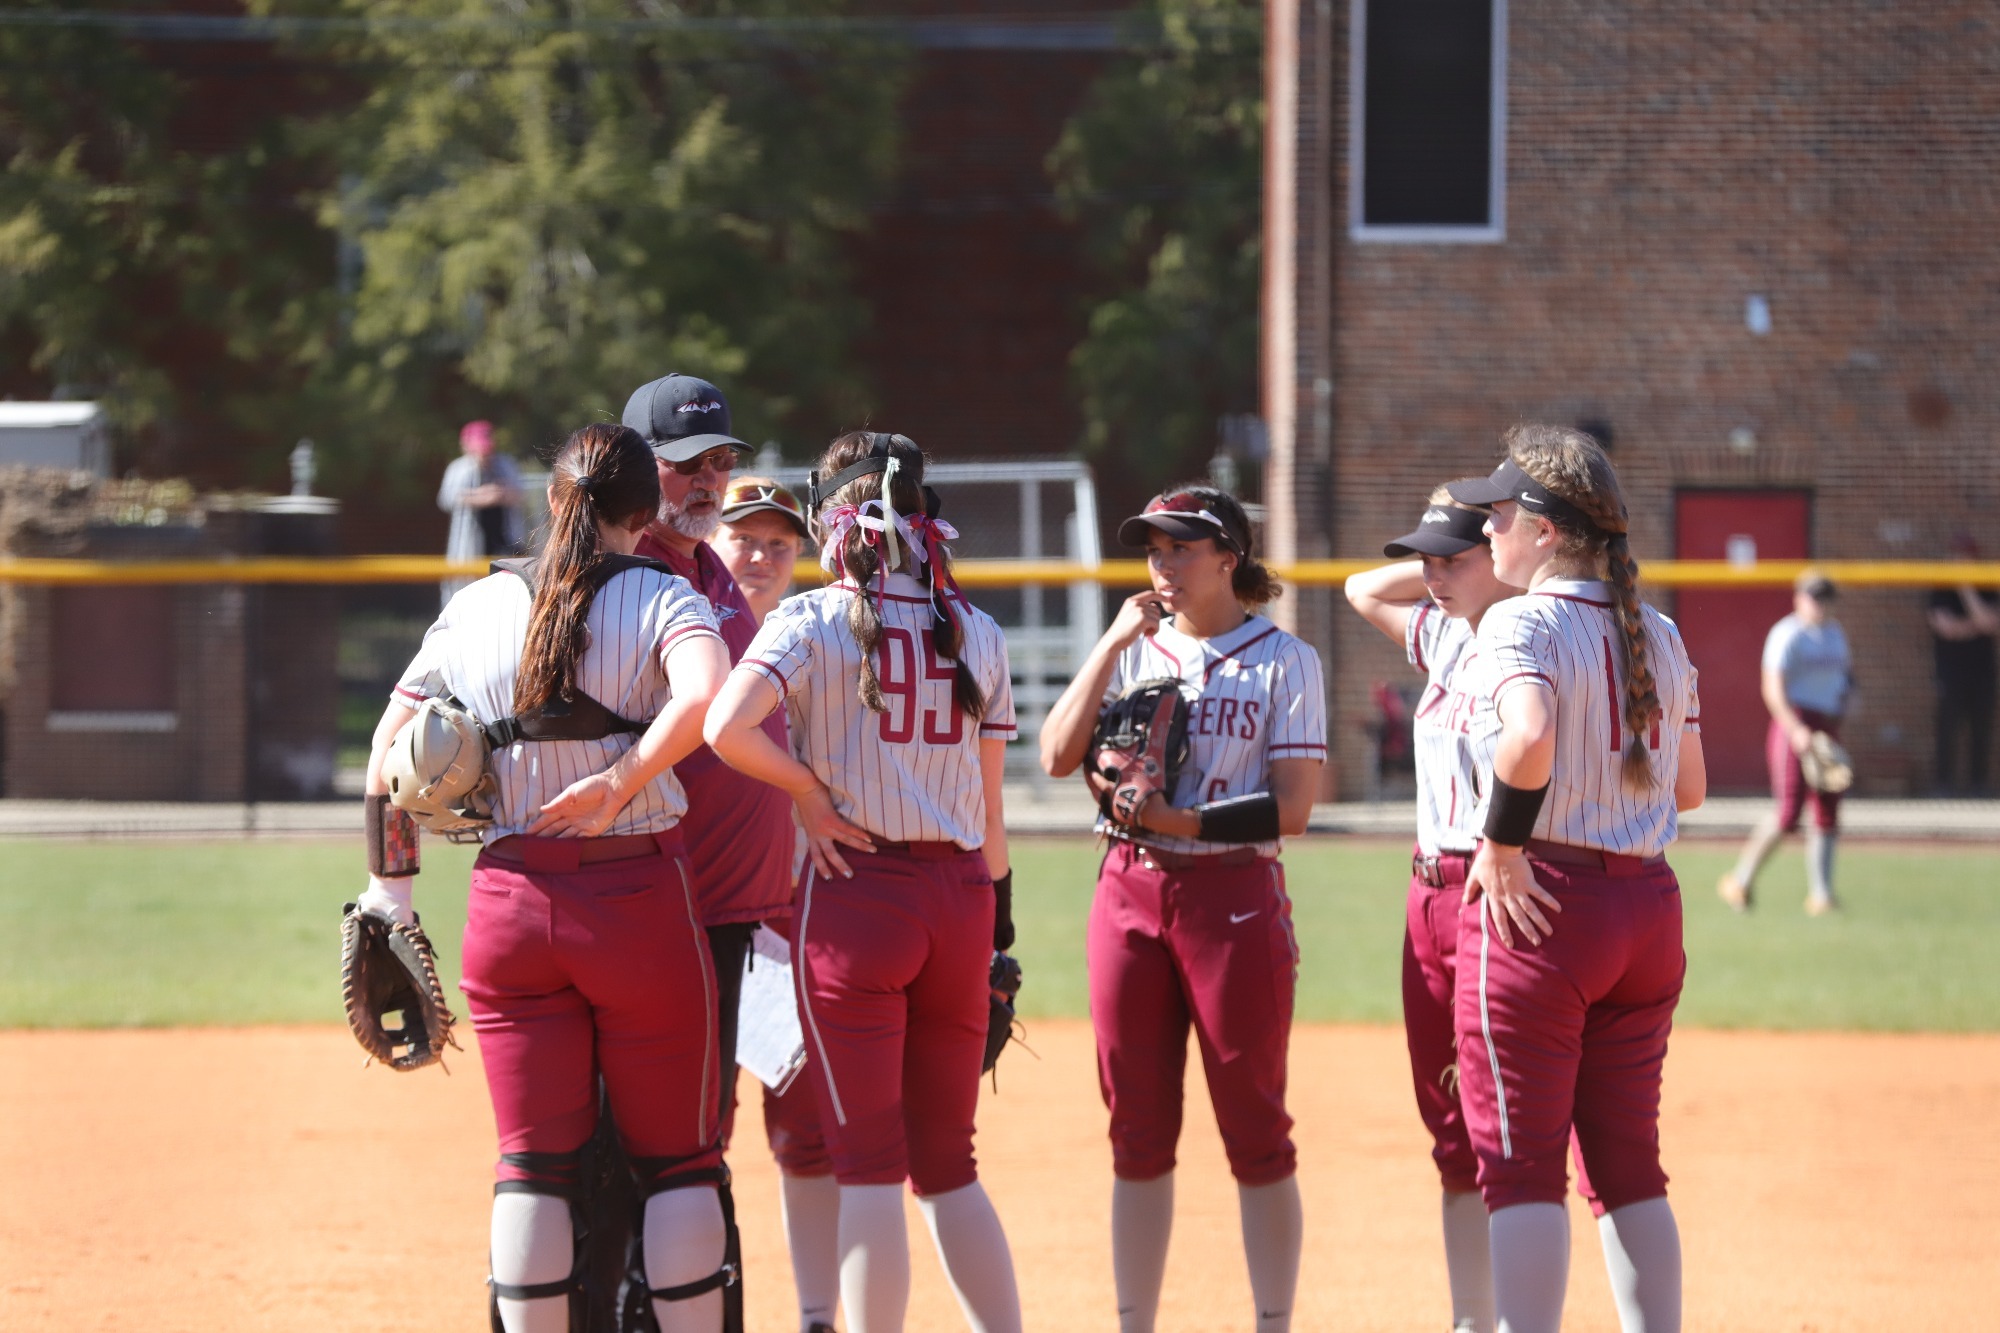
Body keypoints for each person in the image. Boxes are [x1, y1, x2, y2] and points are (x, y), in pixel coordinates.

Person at [361, 421, 735, 1332]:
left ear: (553, 499)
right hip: (636, 897)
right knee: (679, 1161)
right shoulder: (659, 594)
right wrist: (621, 778)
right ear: (643, 514)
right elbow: (706, 697)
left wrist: (390, 897)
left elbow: (386, 758)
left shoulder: (478, 606)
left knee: (530, 1161)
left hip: (511, 903)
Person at [703, 431, 1023, 1333]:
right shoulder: (979, 629)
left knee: (870, 1163)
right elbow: (991, 816)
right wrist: (999, 931)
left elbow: (728, 726)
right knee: (950, 1162)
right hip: (959, 899)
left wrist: (806, 791)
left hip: (856, 893)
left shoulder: (810, 620)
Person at [1040, 485, 1326, 1333]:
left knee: (1255, 1127)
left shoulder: (1284, 658)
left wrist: (1178, 817)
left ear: (1228, 557)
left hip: (1232, 895)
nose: (1162, 566)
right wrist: (1116, 640)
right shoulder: (1136, 647)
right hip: (1128, 889)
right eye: (1153, 551)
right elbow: (1059, 754)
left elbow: (1297, 806)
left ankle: (1272, 1319)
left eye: (1181, 549)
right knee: (1136, 1128)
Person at [1441, 425, 1705, 1333]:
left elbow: (1529, 735)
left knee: (1519, 1170)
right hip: (1646, 906)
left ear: (1546, 530)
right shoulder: (1658, 631)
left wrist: (1501, 844)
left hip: (1543, 907)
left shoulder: (1518, 619)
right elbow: (1693, 786)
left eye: (1501, 515)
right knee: (1630, 1163)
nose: (1486, 534)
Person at [1345, 485, 1519, 1333]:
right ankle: (1470, 1319)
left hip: (1495, 888)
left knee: (1509, 1127)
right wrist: (1446, 560)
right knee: (1451, 1127)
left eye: (1452, 559)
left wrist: (1485, 564)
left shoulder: (1532, 639)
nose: (1433, 575)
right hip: (1426, 895)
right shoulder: (1446, 633)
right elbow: (1360, 589)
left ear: (1502, 549)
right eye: (1428, 561)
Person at [709, 473, 839, 1333]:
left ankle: (818, 1315)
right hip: (700, 910)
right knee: (689, 1127)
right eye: (743, 538)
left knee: (807, 1129)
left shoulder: (818, 640)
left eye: (778, 543)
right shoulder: (686, 630)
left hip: (796, 912)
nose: (758, 555)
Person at [1717, 569, 1852, 915]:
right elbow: (1772, 688)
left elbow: (1845, 680)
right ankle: (1740, 880)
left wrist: (1848, 703)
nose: (1818, 603)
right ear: (1798, 598)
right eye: (1812, 595)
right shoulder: (1787, 634)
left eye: (1823, 596)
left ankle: (1821, 895)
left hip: (1826, 723)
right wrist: (1795, 729)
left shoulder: (1835, 635)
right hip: (1794, 722)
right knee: (1789, 812)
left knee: (1828, 808)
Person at [1927, 533, 1999, 796]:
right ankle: (1943, 784)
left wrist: (1967, 590)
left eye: (1964, 557)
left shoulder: (1987, 583)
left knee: (1981, 728)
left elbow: (1990, 623)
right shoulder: (1940, 587)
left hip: (1983, 672)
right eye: (1955, 556)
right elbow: (1946, 628)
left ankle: (1978, 785)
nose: (1959, 561)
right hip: (1949, 672)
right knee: (1947, 728)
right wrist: (1975, 625)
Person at [437, 418, 525, 604]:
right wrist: (480, 496)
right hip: (469, 547)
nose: (485, 455)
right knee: (465, 594)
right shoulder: (459, 468)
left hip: (503, 544)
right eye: (479, 450)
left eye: (487, 449)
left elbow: (519, 494)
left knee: (505, 595)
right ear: (466, 446)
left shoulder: (505, 464)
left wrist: (499, 494)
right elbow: (446, 499)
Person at [714, 476, 811, 622]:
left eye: (778, 543)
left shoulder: (816, 637)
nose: (761, 557)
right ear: (706, 542)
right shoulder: (675, 627)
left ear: (798, 549)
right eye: (744, 538)